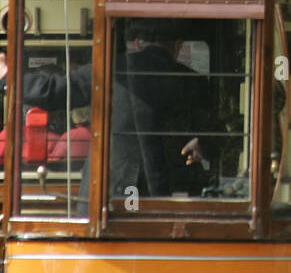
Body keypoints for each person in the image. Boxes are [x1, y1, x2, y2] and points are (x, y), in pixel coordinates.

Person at [0, 19, 214, 204]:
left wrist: (6, 77)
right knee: (147, 236)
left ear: (138, 43)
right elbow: (214, 131)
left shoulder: (109, 71)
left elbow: (53, 91)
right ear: (177, 46)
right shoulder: (194, 82)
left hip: (115, 189)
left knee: (127, 231)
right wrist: (202, 143)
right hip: (171, 193)